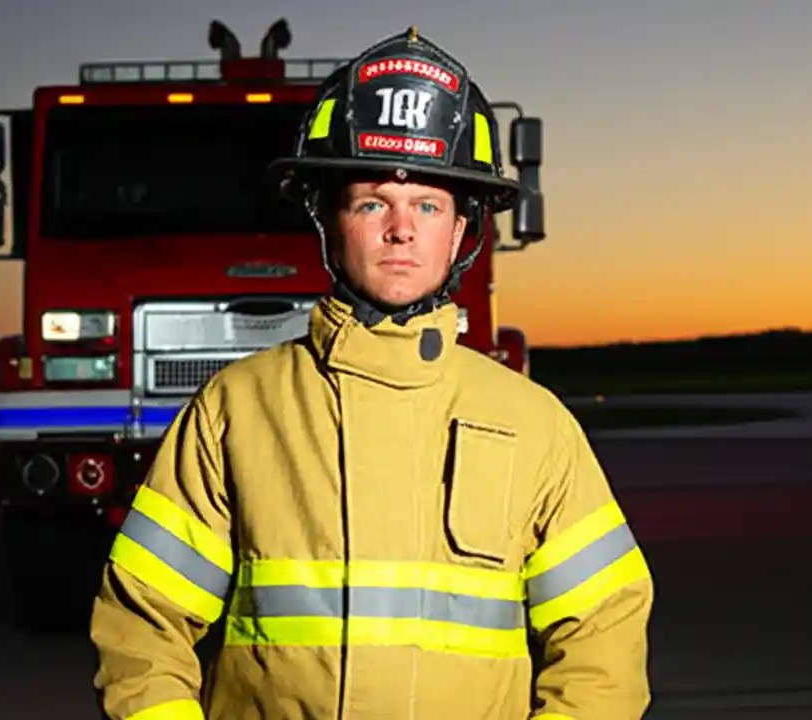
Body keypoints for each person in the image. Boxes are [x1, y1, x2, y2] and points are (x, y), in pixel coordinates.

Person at [89, 26, 654, 720]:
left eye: (428, 204)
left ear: (461, 231)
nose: (401, 229)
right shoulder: (234, 409)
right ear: (327, 218)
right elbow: (144, 629)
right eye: (370, 202)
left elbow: (604, 636)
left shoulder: (537, 425)